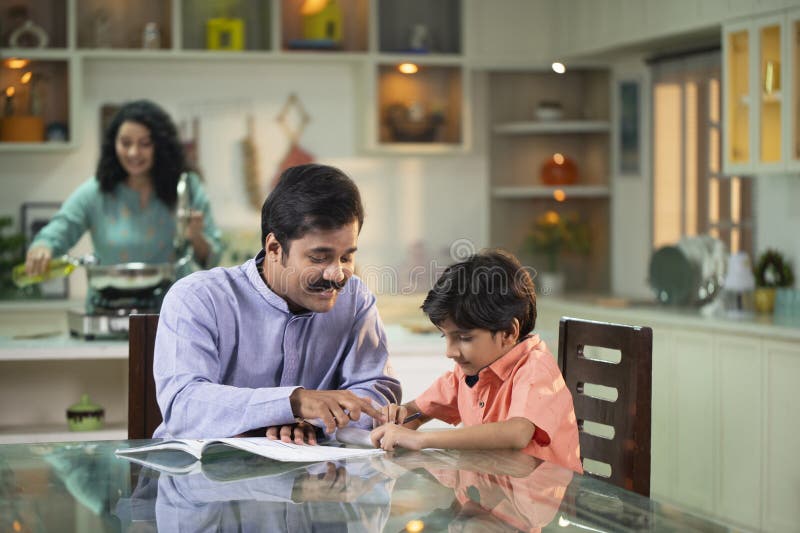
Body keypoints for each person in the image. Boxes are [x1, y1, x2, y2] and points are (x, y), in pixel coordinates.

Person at [152, 163, 400, 440]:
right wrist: (292, 403)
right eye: (319, 258)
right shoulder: (197, 298)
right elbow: (184, 405)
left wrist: (317, 420)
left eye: (346, 257)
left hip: (315, 474)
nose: (336, 274)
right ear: (274, 249)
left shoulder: (356, 300)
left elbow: (377, 392)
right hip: (198, 476)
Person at [370, 249, 583, 473]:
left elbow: (517, 433)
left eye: (464, 338)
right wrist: (400, 416)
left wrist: (422, 439)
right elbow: (417, 410)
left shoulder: (536, 368)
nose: (450, 352)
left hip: (541, 499)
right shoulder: (468, 373)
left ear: (509, 332)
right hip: (492, 493)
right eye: (446, 336)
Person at [24, 99, 222, 288]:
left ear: (161, 147)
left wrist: (196, 236)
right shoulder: (96, 191)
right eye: (125, 143)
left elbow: (213, 259)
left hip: (171, 309)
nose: (134, 152)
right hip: (106, 309)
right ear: (113, 145)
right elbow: (61, 228)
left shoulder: (186, 187)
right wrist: (43, 247)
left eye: (145, 144)